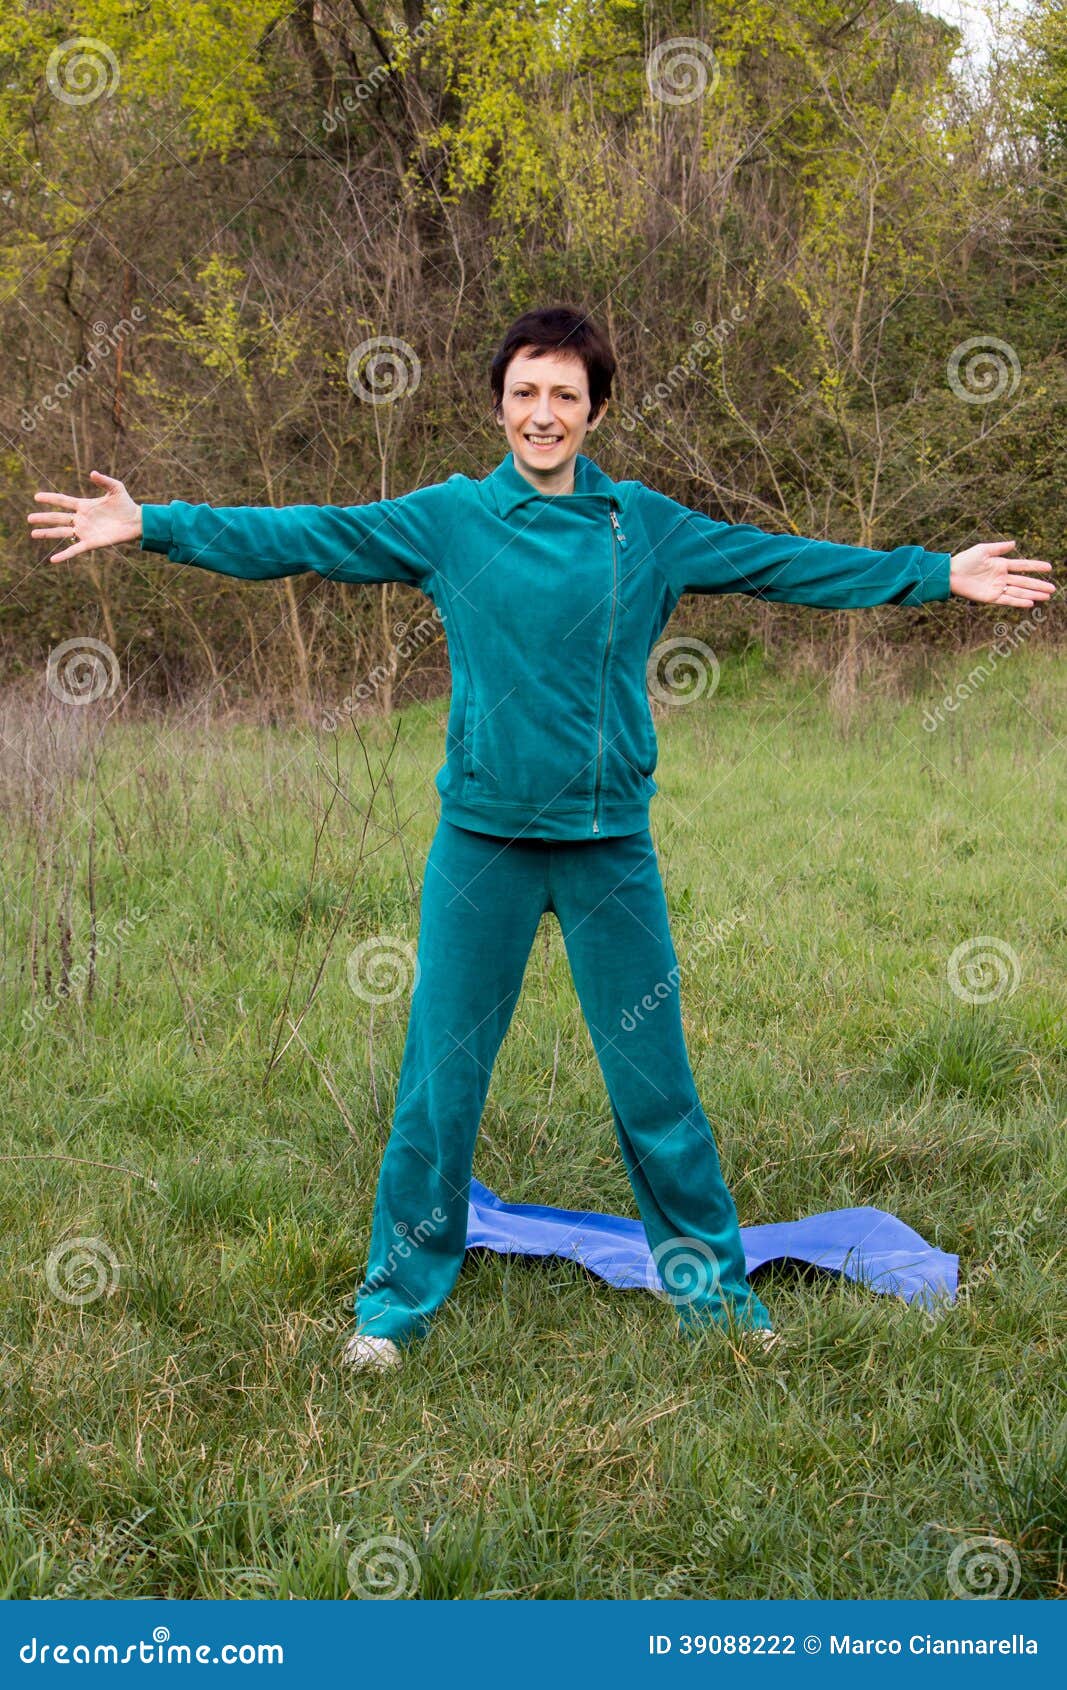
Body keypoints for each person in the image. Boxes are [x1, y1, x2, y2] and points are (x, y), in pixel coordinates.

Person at [29, 306, 1056, 1373]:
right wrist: (155, 524)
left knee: (656, 1089)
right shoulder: (451, 519)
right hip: (482, 848)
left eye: (565, 394)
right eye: (524, 392)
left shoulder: (643, 526)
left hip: (610, 850)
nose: (543, 413)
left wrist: (933, 574)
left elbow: (779, 563)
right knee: (440, 1085)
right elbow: (308, 535)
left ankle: (715, 1304)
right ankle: (391, 1308)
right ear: (498, 405)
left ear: (595, 411)